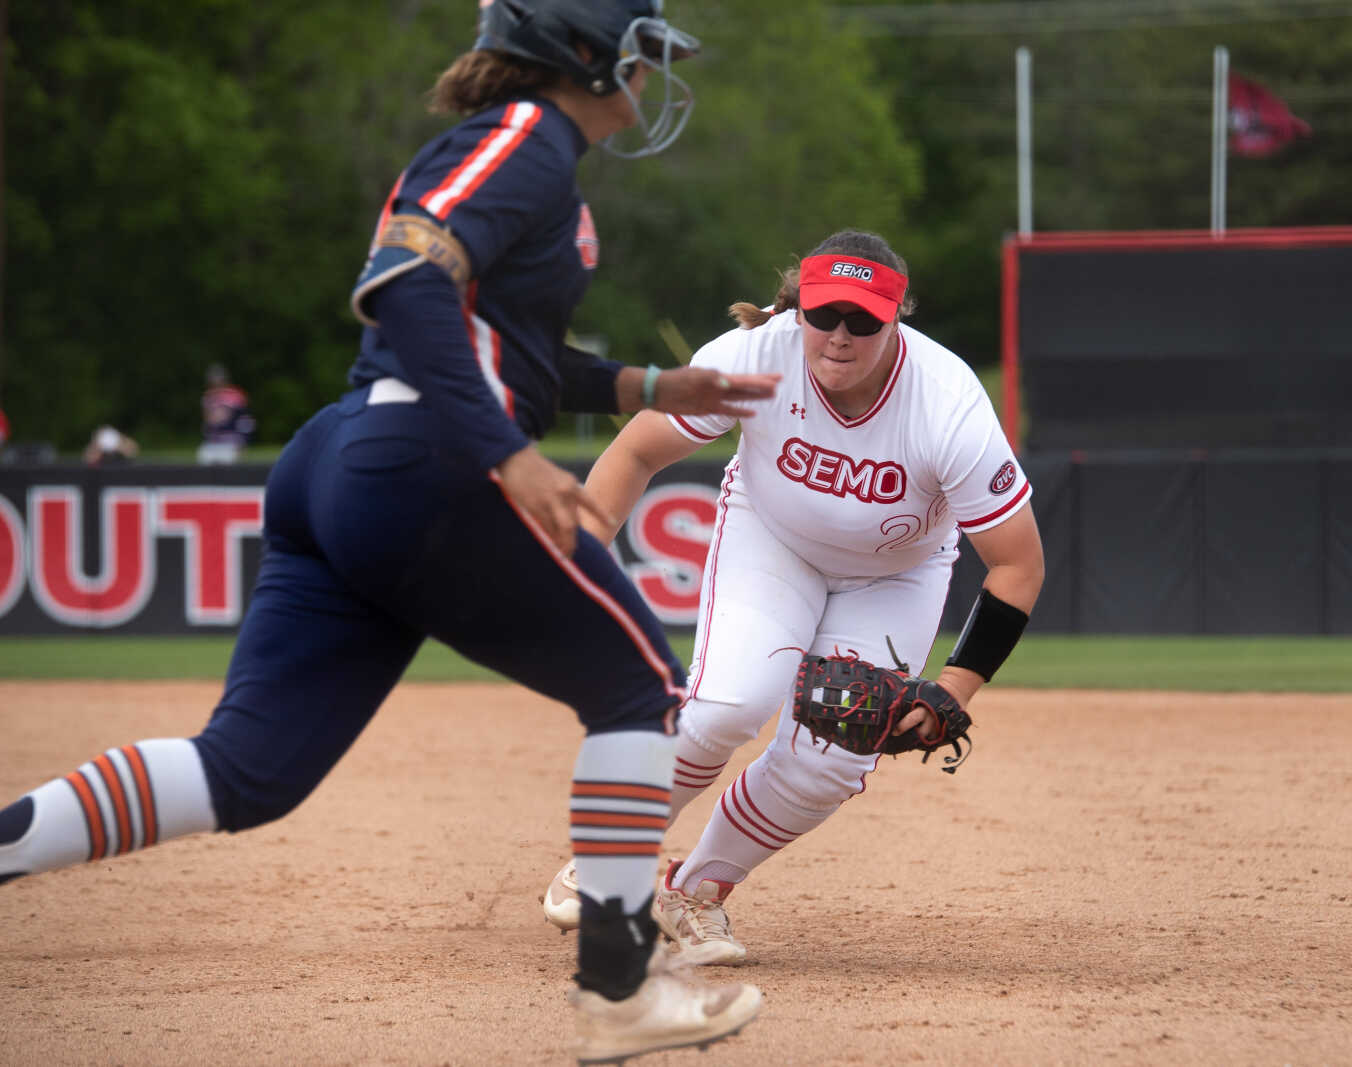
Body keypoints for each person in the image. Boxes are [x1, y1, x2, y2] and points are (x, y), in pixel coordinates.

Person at [0, 2, 780, 1061]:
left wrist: (648, 384)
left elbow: (510, 350)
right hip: (425, 459)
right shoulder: (526, 135)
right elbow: (407, 279)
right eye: (641, 54)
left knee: (246, 770)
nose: (652, 78)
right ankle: (619, 988)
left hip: (351, 461)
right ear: (583, 56)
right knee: (639, 688)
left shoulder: (532, 155)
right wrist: (506, 453)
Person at [541, 230, 1045, 966]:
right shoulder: (754, 357)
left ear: (896, 318)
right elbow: (637, 450)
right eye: (825, 313)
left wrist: (955, 687)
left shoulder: (946, 403)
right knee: (727, 705)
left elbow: (1018, 565)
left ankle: (694, 893)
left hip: (895, 575)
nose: (840, 334)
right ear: (799, 308)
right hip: (771, 541)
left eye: (863, 320)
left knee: (830, 762)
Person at [197, 364, 257, 465]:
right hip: (212, 444)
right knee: (203, 458)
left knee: (227, 464)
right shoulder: (207, 397)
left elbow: (246, 422)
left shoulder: (236, 396)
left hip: (231, 443)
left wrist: (243, 443)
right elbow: (207, 424)